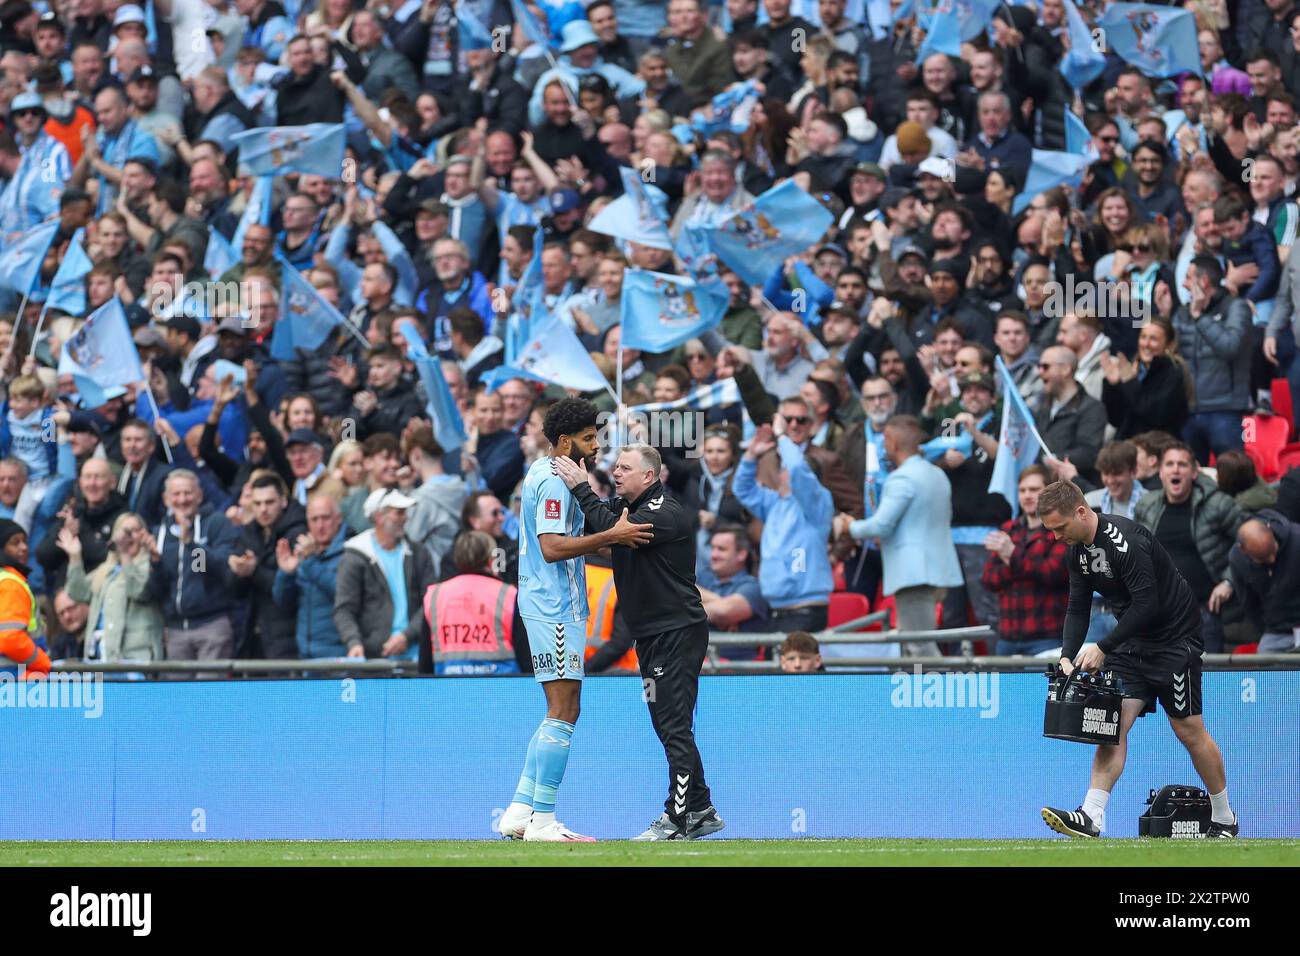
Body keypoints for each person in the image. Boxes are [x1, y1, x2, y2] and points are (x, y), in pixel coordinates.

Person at [1035, 480, 1238, 839]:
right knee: (1110, 725)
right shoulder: (1077, 551)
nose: (1056, 537)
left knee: (1188, 730)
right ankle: (1092, 815)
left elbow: (1148, 605)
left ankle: (1224, 818)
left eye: (1060, 528)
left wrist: (1103, 647)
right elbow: (1077, 608)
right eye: (1051, 531)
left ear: (1081, 512)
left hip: (1175, 642)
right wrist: (1067, 656)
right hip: (1131, 642)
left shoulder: (1126, 541)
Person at [494, 398, 653, 844]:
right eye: (588, 439)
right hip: (554, 607)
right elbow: (552, 546)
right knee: (566, 710)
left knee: (556, 711)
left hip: (547, 603)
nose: (597, 447)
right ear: (565, 442)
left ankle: (520, 810)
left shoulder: (545, 473)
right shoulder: (554, 481)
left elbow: (570, 541)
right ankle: (544, 820)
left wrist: (618, 544)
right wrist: (614, 535)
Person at [555, 442, 724, 841]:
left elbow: (606, 528)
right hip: (650, 636)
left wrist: (582, 488)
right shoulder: (627, 507)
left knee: (673, 724)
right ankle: (700, 809)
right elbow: (595, 519)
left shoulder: (662, 513)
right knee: (667, 724)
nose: (616, 473)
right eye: (615, 467)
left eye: (625, 468)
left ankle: (677, 817)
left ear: (649, 476)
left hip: (676, 632)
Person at [837, 415, 963, 657]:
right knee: (914, 642)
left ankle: (944, 693)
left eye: (884, 441)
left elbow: (881, 526)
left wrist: (848, 527)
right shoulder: (937, 474)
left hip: (914, 574)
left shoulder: (901, 478)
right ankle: (923, 691)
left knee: (919, 643)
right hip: (937, 571)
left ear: (891, 442)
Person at [333, 488, 436, 660]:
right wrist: (354, 642)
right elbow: (344, 609)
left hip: (415, 652)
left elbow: (431, 600)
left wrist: (407, 635)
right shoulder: (355, 557)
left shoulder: (419, 553)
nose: (406, 518)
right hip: (373, 657)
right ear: (379, 517)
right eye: (399, 513)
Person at [981, 465, 1069, 656]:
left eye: (1034, 490)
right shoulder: (1008, 529)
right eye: (1022, 490)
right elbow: (989, 579)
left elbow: (1052, 573)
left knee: (1044, 688)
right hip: (1007, 639)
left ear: (1049, 492)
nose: (1027, 495)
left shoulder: (1060, 530)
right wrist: (1022, 565)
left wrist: (1011, 556)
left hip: (1047, 638)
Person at [61, 511, 163, 662]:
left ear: (143, 534)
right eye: (123, 531)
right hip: (100, 654)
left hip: (135, 657)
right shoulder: (107, 570)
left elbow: (138, 591)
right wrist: (75, 556)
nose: (127, 537)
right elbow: (77, 593)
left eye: (133, 531)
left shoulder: (150, 565)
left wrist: (124, 554)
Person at [420, 530, 525, 675]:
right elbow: (525, 653)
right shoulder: (508, 595)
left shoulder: (435, 596)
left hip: (447, 688)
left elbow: (425, 660)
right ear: (491, 559)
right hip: (502, 689)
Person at [1229, 513, 1300, 653]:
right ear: (1243, 550)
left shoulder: (1297, 538)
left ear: (1270, 529)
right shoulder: (1237, 559)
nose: (1272, 559)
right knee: (1264, 659)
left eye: (1273, 549)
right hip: (1276, 630)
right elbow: (1249, 603)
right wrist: (1266, 626)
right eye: (1264, 558)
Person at [0, 519, 49, 677]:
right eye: (15, 543)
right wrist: (42, 662)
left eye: (24, 541)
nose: (24, 547)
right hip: (12, 677)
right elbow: (10, 637)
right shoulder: (11, 583)